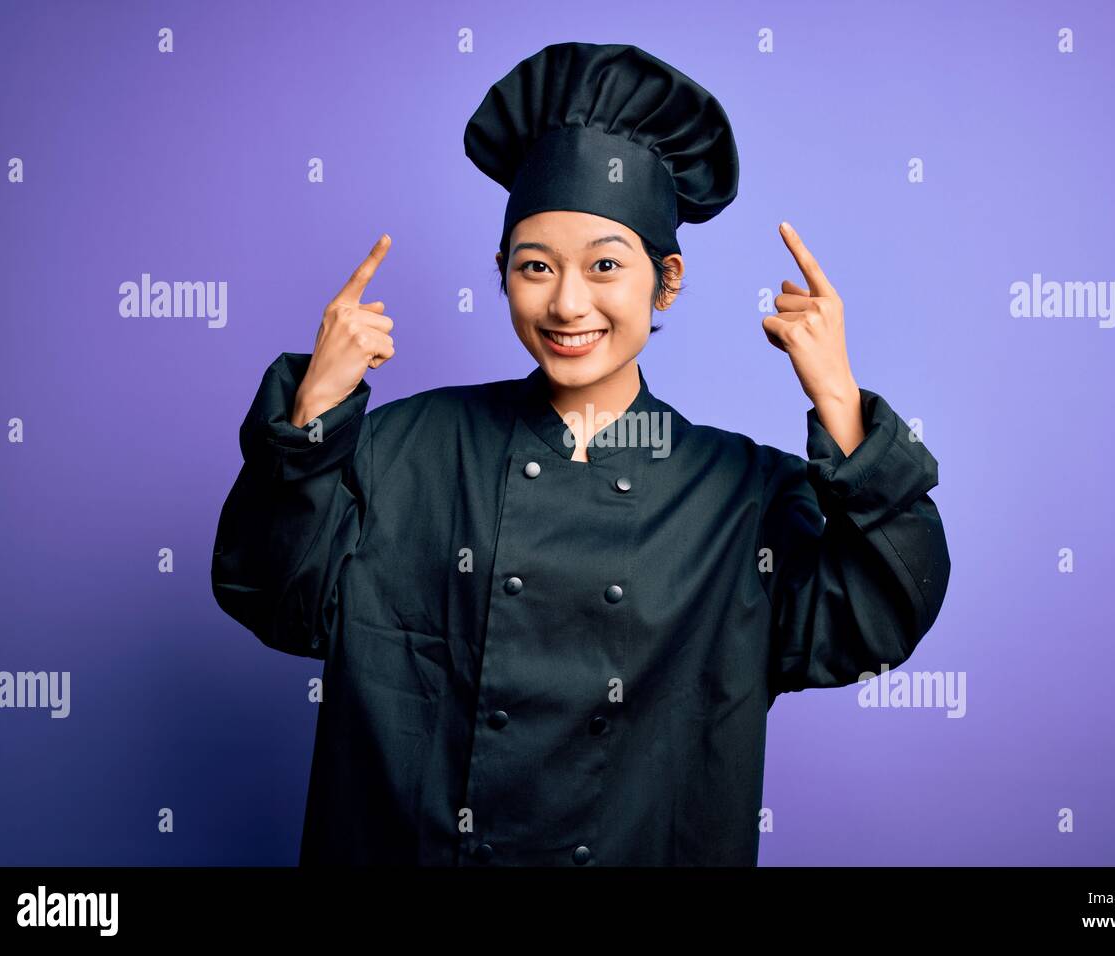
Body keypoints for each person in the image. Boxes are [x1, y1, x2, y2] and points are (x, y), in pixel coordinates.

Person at [210, 41, 951, 866]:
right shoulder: (401, 448)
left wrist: (838, 400)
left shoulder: (743, 495)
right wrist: (314, 408)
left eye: (605, 266)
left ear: (665, 282)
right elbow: (272, 598)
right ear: (501, 274)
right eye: (535, 267)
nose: (568, 303)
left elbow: (880, 618)